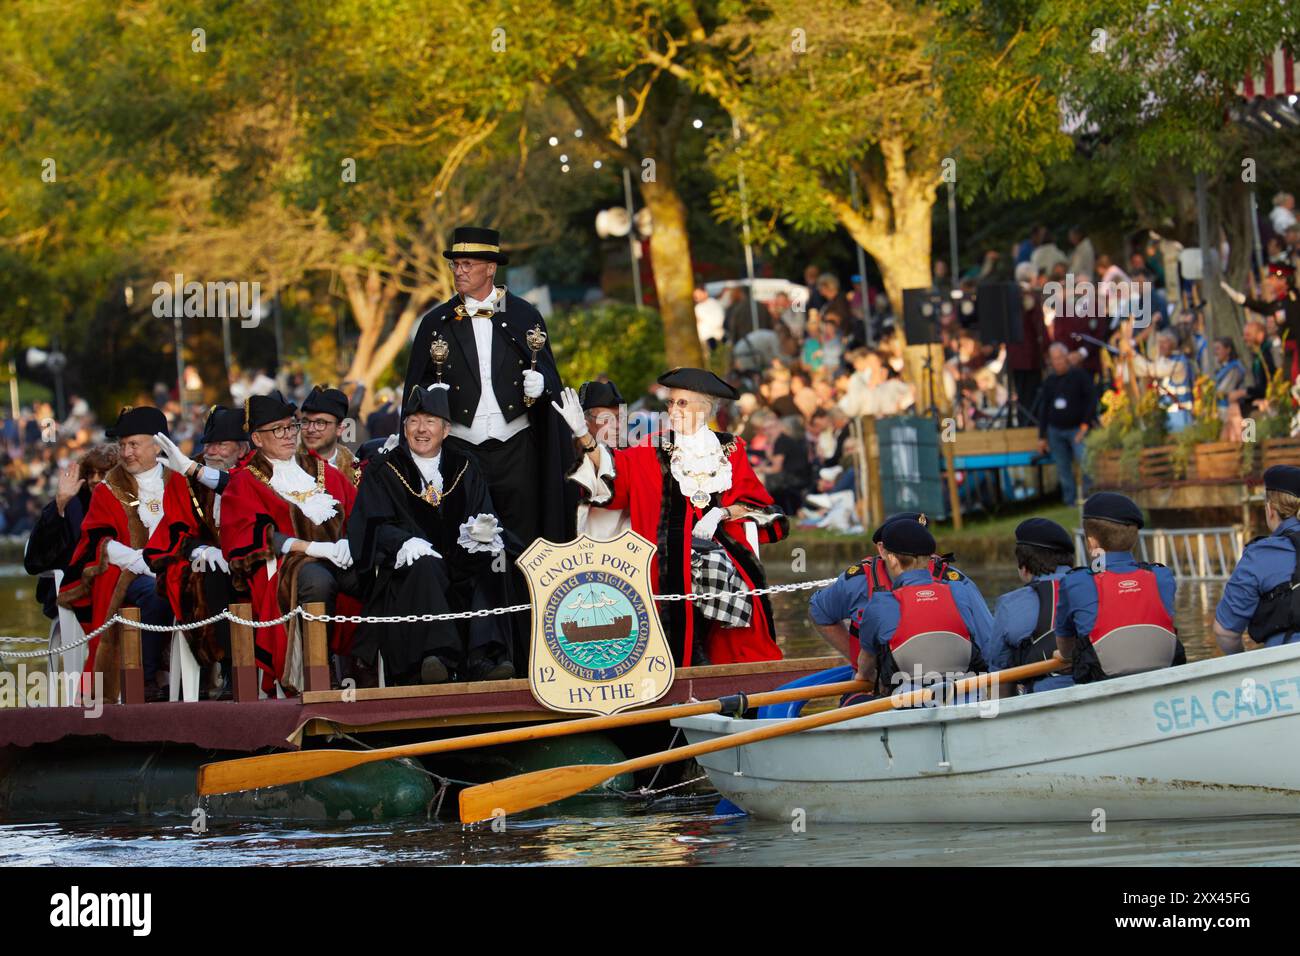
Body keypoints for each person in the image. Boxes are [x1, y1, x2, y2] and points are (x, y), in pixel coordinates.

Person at [554, 367, 789, 666]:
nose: (674, 410)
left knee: (733, 578)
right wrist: (584, 436)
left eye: (682, 403)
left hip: (720, 547)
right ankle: (688, 666)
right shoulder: (653, 447)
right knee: (678, 592)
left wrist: (720, 513)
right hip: (666, 555)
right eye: (671, 403)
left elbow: (755, 502)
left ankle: (732, 669)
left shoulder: (730, 448)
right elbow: (615, 474)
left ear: (704, 409)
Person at [402, 225, 574, 555]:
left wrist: (544, 386)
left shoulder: (525, 314)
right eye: (456, 264)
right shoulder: (436, 322)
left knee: (524, 541)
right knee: (467, 541)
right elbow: (414, 390)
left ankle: (522, 607)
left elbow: (550, 375)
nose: (459, 271)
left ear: (490, 268)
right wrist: (430, 394)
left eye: (468, 264)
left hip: (517, 448)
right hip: (461, 449)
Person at [347, 385, 515, 684]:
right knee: (425, 564)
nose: (421, 429)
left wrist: (480, 533)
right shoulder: (384, 469)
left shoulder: (464, 466)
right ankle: (434, 658)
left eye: (430, 421)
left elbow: (483, 513)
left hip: (459, 563)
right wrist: (401, 541)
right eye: (413, 421)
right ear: (404, 426)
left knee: (492, 560)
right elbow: (368, 525)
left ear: (446, 429)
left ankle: (484, 658)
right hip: (409, 574)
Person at [219, 391, 362, 695]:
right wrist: (311, 548)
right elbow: (253, 534)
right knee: (317, 580)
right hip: (283, 568)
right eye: (278, 430)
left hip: (338, 556)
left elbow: (358, 513)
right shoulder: (244, 481)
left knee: (375, 575)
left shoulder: (323, 470)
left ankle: (372, 664)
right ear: (257, 439)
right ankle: (318, 674)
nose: (289, 435)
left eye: (291, 427)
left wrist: (350, 544)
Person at [57, 407, 178, 701]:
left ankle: (208, 678)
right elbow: (99, 542)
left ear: (158, 445)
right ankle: (147, 679)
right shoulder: (108, 488)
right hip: (128, 572)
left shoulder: (180, 481)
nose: (125, 452)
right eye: (123, 445)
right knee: (156, 592)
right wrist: (142, 562)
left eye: (133, 444)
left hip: (177, 565)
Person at [143, 406, 248, 698]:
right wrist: (200, 550)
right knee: (210, 578)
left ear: (242, 449)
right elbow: (175, 529)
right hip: (205, 565)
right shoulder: (184, 477)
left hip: (253, 558)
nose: (212, 451)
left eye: (220, 445)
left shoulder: (254, 472)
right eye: (208, 444)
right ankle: (229, 671)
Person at [809, 511, 993, 664]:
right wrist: (859, 665)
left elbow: (990, 644)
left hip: (950, 685)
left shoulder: (956, 583)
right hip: (883, 689)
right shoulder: (857, 582)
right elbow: (819, 612)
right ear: (881, 550)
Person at [852, 518, 994, 698]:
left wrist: (863, 677)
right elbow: (988, 645)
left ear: (893, 560)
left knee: (853, 701)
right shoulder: (959, 590)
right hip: (968, 696)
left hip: (909, 705)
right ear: (928, 558)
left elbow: (866, 664)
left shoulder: (880, 603)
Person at [1055, 492, 1184, 683]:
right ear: (1134, 538)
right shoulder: (1162, 576)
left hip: (1101, 682)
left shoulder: (1075, 582)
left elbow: (1065, 649)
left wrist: (1064, 655)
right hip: (1162, 677)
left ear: (1092, 543)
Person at [25, 444, 119, 620]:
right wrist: (60, 504)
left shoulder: (132, 503)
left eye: (103, 473)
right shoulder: (72, 504)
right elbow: (34, 561)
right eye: (91, 473)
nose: (95, 479)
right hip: (73, 592)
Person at [1214, 466, 1300, 653]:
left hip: (1284, 669)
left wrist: (1243, 665)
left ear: (1270, 510)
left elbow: (1225, 632)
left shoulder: (1259, 555)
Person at [988, 518, 1077, 693]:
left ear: (1024, 568)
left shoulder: (1009, 605)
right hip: (1098, 686)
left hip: (1044, 696)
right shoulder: (1097, 587)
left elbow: (999, 670)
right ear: (1070, 560)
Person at [567, 379, 631, 539]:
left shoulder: (632, 455)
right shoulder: (567, 459)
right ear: (585, 423)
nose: (617, 425)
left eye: (620, 417)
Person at [1036, 342, 1094, 506]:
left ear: (1066, 357)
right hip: (1056, 430)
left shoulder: (1079, 376)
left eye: (1061, 358)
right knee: (1063, 469)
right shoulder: (1050, 381)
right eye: (1054, 359)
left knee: (1085, 462)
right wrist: (1042, 436)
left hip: (1077, 428)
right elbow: (1044, 408)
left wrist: (1085, 425)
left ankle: (1090, 498)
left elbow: (1091, 400)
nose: (1058, 362)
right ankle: (1070, 501)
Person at [300, 385, 359, 485]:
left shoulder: (355, 470)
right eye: (305, 422)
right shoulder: (287, 465)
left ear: (340, 429)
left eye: (320, 423)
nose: (310, 429)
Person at [694, 286, 726, 354]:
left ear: (705, 293)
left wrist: (702, 320)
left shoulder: (715, 304)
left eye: (699, 295)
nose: (697, 298)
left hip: (715, 338)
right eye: (696, 296)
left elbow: (719, 321)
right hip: (703, 340)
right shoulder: (697, 307)